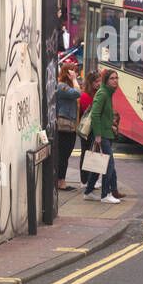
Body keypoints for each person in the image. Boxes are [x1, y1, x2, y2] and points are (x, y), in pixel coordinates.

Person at [83, 69, 121, 203]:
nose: (115, 80)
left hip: (106, 133)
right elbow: (95, 114)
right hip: (102, 135)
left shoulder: (108, 93)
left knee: (99, 164)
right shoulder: (103, 93)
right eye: (112, 78)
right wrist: (98, 135)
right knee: (108, 165)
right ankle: (105, 195)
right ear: (106, 80)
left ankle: (88, 192)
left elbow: (104, 116)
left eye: (116, 78)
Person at [55, 61, 82, 190]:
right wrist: (75, 80)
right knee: (63, 155)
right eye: (74, 71)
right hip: (64, 126)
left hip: (70, 126)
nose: (76, 74)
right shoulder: (62, 87)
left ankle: (61, 180)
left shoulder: (67, 86)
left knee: (65, 155)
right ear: (68, 73)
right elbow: (77, 93)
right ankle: (61, 182)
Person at [77, 69, 100, 189]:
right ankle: (85, 180)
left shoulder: (95, 93)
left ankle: (88, 180)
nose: (99, 83)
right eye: (96, 81)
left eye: (100, 81)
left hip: (90, 129)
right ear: (91, 83)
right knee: (87, 153)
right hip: (89, 129)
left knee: (90, 154)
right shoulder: (86, 96)